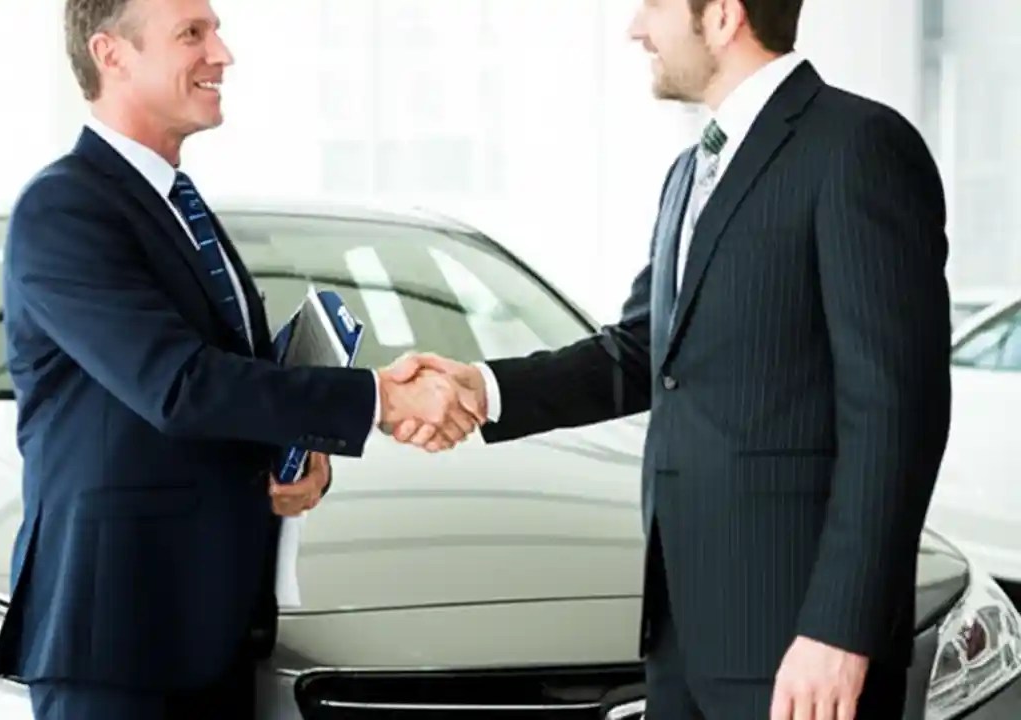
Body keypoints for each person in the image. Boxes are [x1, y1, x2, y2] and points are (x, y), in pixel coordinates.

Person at [391, 0, 951, 717]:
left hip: (798, 642)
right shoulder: (691, 171)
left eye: (652, 6)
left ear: (722, 16)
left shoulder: (858, 147)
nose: (634, 28)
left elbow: (896, 414)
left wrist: (840, 629)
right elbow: (643, 353)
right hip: (684, 631)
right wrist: (486, 387)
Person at [0, 0, 483, 717]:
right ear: (111, 55)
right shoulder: (65, 209)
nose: (223, 53)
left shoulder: (176, 202)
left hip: (206, 630)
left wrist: (293, 451)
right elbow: (181, 386)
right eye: (193, 33)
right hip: (120, 641)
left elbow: (225, 390)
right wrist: (379, 399)